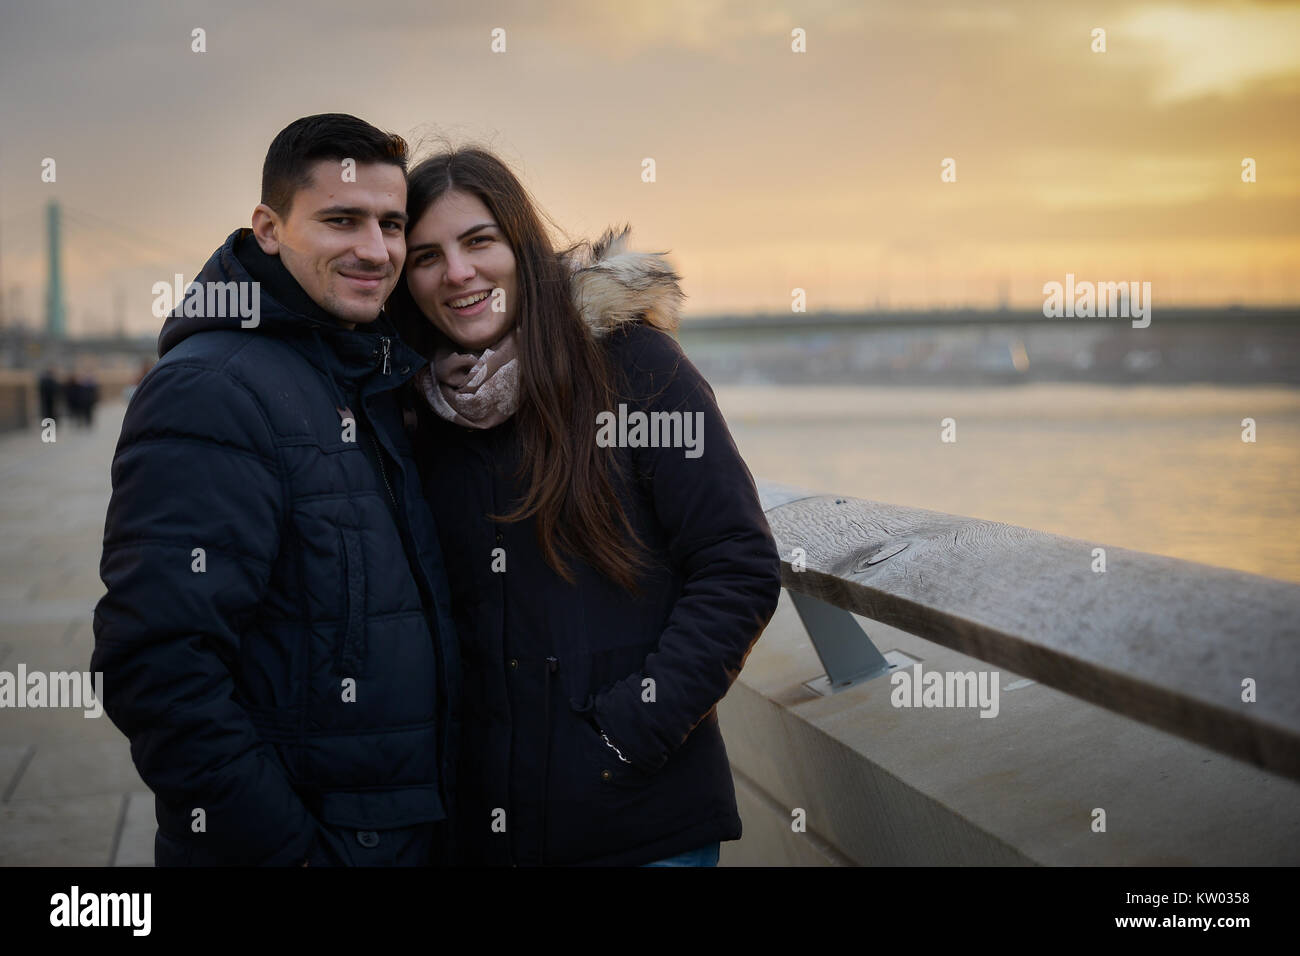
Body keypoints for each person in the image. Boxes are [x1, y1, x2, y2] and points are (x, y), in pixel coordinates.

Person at [387, 147, 783, 866]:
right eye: (425, 256)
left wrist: (631, 729)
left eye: (480, 241)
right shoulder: (413, 414)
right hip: (479, 833)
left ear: (523, 247)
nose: (458, 273)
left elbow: (738, 562)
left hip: (638, 825)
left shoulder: (633, 367)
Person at [91, 114, 460, 866]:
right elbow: (157, 668)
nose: (374, 249)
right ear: (268, 227)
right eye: (341, 220)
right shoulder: (213, 388)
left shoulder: (362, 373)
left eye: (391, 224)